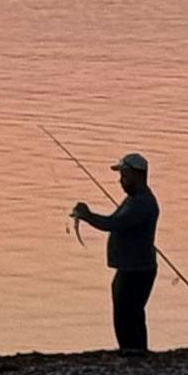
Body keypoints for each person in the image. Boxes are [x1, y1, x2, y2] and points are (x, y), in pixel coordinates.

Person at [72, 151, 160, 355]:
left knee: (126, 315)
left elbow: (114, 224)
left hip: (137, 270)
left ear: (138, 176)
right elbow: (115, 221)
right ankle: (136, 352)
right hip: (132, 268)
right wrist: (89, 215)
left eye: (124, 176)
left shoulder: (142, 203)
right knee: (131, 314)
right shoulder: (134, 199)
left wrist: (87, 216)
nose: (121, 180)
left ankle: (133, 353)